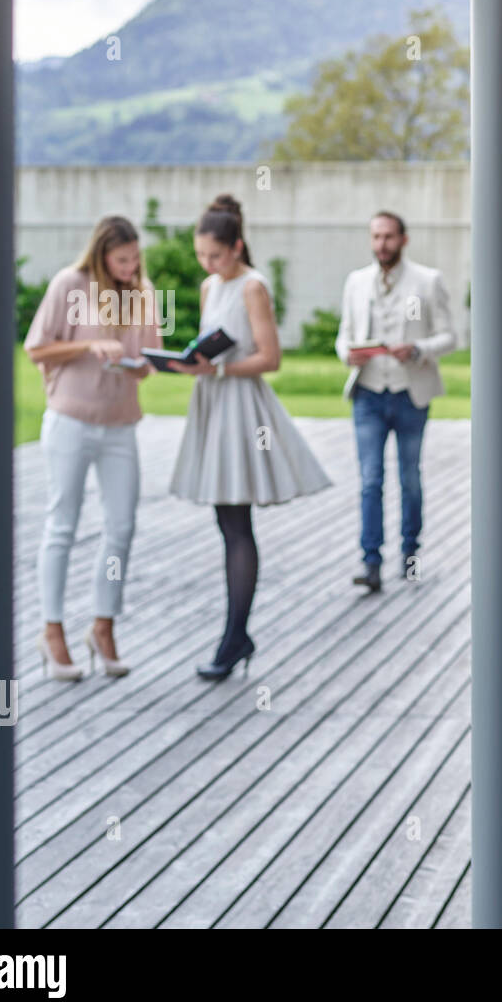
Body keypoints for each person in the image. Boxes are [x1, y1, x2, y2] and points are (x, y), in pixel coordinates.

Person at [167, 194, 332, 679]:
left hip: (239, 406)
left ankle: (234, 634)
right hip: (212, 403)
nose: (208, 264)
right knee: (227, 521)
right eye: (202, 256)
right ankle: (236, 635)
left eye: (215, 256)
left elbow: (271, 357)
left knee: (237, 522)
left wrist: (217, 371)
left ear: (237, 246)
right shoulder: (207, 286)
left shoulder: (252, 286)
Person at [24, 215, 164, 680]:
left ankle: (103, 628)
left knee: (121, 527)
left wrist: (144, 364)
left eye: (136, 258)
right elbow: (37, 349)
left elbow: (148, 362)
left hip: (120, 423)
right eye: (123, 260)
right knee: (61, 524)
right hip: (70, 420)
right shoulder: (70, 284)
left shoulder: (142, 293)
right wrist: (89, 347)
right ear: (103, 255)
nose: (132, 266)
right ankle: (53, 632)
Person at [335, 211, 455, 592]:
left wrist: (418, 348)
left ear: (403, 239)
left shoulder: (427, 280)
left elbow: (450, 336)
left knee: (410, 479)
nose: (381, 244)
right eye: (375, 236)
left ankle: (410, 555)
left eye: (388, 236)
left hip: (410, 394)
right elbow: (344, 336)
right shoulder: (355, 281)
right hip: (368, 393)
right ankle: (370, 562)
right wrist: (347, 354)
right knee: (370, 480)